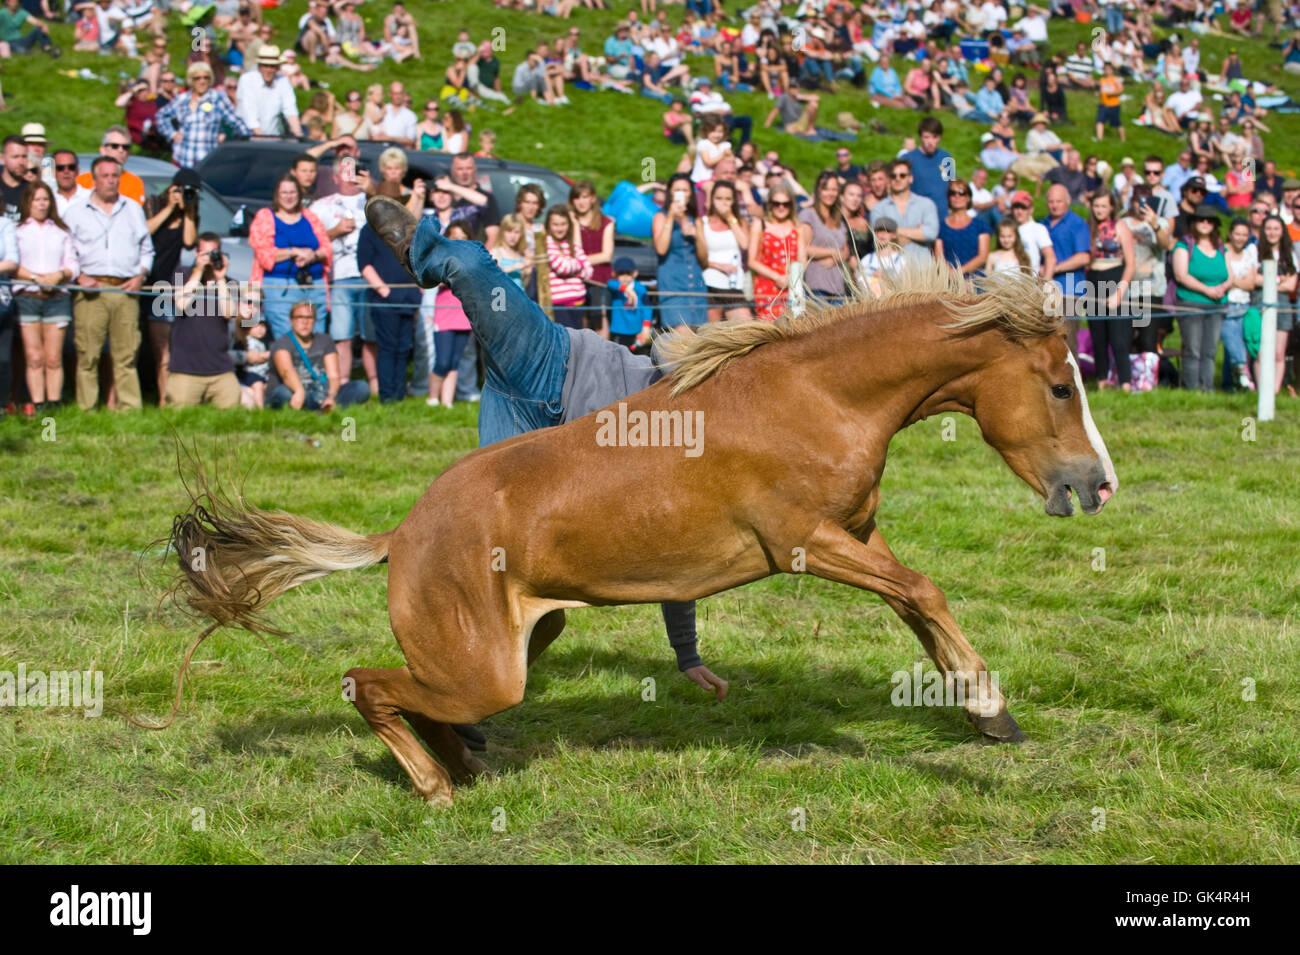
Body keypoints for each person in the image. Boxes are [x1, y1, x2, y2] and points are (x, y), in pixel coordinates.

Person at [363, 195, 729, 703]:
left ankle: (457, 703)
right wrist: (707, 355)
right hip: (549, 360)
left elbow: (678, 556)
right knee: (471, 265)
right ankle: (419, 249)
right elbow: (670, 343)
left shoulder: (691, 460)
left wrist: (686, 654)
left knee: (501, 571)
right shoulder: (700, 380)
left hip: (529, 443)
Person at [64, 155, 153, 411]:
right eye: (105, 176)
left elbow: (147, 249)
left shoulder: (133, 209)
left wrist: (140, 275)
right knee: (87, 354)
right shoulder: (76, 212)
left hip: (126, 288)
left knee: (126, 355)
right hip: (91, 290)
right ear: (94, 180)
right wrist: (78, 275)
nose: (110, 181)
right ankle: (87, 408)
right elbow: (67, 251)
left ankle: (130, 409)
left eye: (115, 176)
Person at [13, 181, 75, 410]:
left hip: (57, 298)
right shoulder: (17, 231)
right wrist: (35, 278)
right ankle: (38, 405)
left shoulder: (61, 232)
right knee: (35, 357)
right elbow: (12, 263)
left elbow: (72, 264)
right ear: (28, 202)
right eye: (37, 199)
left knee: (53, 357)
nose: (41, 204)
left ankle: (54, 405)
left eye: (45, 199)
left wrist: (58, 276)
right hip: (28, 298)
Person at [143, 168, 201, 406]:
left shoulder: (190, 211)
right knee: (148, 349)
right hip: (145, 281)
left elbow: (189, 242)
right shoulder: (153, 204)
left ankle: (165, 403)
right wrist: (169, 208)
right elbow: (145, 231)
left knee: (166, 353)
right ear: (172, 188)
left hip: (166, 287)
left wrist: (187, 211)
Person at [165, 233, 243, 408]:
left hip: (220, 369)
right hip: (185, 368)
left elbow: (228, 313)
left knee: (232, 418)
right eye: (204, 254)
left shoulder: (229, 282)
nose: (209, 258)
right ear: (196, 254)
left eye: (213, 253)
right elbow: (181, 304)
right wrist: (198, 271)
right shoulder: (182, 274)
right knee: (179, 422)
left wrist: (221, 277)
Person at [309, 156, 369, 384]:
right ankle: (343, 382)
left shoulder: (373, 200)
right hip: (339, 279)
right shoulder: (321, 206)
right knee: (342, 336)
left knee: (370, 337)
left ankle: (374, 384)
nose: (351, 178)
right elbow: (310, 243)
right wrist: (334, 231)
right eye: (345, 173)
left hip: (371, 278)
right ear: (335, 177)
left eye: (355, 172)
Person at [249, 176, 331, 340]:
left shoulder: (309, 216)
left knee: (317, 339)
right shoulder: (265, 217)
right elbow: (264, 256)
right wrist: (294, 251)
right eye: (284, 192)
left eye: (293, 192)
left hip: (313, 285)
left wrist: (311, 256)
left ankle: (313, 367)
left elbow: (326, 248)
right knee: (288, 341)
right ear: (277, 195)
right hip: (280, 288)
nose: (289, 196)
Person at [356, 214, 419, 404]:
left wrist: (418, 290)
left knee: (403, 348)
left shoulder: (408, 228)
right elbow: (364, 264)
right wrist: (384, 291)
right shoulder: (370, 230)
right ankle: (387, 396)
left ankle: (399, 395)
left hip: (409, 296)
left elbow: (417, 258)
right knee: (388, 348)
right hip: (384, 298)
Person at [267, 300, 369, 410]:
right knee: (283, 394)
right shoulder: (281, 343)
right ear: (292, 320)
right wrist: (299, 391)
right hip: (294, 391)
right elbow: (286, 372)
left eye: (309, 318)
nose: (304, 322)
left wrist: (331, 396)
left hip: (320, 392)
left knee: (361, 387)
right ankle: (321, 409)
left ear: (315, 320)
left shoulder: (325, 340)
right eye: (300, 317)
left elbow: (333, 375)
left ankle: (324, 406)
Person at [1172, 204, 1229, 392]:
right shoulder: (1184, 245)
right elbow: (1181, 275)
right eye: (1201, 219)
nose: (1205, 223)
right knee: (1193, 349)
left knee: (1210, 351)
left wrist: (1223, 287)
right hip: (1191, 303)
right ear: (1193, 222)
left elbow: (1231, 275)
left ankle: (1208, 388)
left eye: (1209, 220)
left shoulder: (1220, 246)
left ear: (1214, 224)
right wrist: (1207, 290)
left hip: (1216, 305)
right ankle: (1192, 389)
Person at [1084, 191, 1135, 391]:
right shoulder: (1088, 227)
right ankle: (1102, 382)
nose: (1099, 210)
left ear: (1111, 207)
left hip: (1115, 278)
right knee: (1098, 337)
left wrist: (1119, 293)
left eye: (1103, 206)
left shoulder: (1120, 227)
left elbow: (1130, 264)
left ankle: (1125, 383)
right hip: (1092, 281)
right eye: (1096, 206)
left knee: (1119, 338)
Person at [421, 220, 473, 407]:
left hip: (463, 316)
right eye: (455, 236)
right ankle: (432, 398)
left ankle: (447, 402)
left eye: (463, 237)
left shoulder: (472, 258)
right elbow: (433, 279)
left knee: (454, 362)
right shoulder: (439, 257)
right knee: (442, 361)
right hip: (444, 315)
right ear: (447, 237)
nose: (459, 240)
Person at [1120, 184, 1174, 355]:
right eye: (1138, 200)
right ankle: (1127, 378)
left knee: (1148, 339)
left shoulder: (1161, 222)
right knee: (1125, 338)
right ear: (1132, 201)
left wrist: (1154, 224)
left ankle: (1148, 379)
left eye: (1145, 200)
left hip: (1152, 288)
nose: (1141, 204)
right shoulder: (1123, 223)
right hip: (1128, 287)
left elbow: (1166, 245)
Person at [1246, 215, 1297, 395]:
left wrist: (1268, 281)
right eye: (1268, 228)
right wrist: (1278, 280)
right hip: (1259, 304)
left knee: (1278, 353)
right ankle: (1262, 391)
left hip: (1282, 307)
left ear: (1282, 231)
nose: (1272, 233)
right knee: (1260, 353)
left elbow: (1291, 285)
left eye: (1276, 229)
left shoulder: (1290, 252)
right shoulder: (1253, 250)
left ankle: (1274, 392)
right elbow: (1253, 280)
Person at [653, 173, 708, 329]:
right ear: (670, 192)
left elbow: (704, 259)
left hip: (695, 285)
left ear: (691, 193)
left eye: (685, 190)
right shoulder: (661, 216)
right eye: (677, 190)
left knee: (699, 337)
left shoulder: (695, 220)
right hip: (672, 285)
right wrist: (671, 216)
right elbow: (661, 249)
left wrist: (696, 236)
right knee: (681, 336)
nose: (681, 194)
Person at [694, 180, 752, 322]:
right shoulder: (702, 222)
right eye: (719, 198)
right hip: (710, 282)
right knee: (712, 332)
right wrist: (720, 266)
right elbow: (700, 256)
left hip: (733, 284)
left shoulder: (740, 221)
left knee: (745, 326)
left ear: (734, 201)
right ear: (712, 199)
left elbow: (745, 244)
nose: (723, 203)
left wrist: (730, 218)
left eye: (728, 199)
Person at [1042, 182, 1091, 352]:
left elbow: (1084, 257)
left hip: (1070, 290)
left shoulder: (1077, 224)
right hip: (1045, 291)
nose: (1054, 205)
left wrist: (1053, 268)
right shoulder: (1042, 224)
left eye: (1059, 201)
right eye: (1051, 201)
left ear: (1068, 201)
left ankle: (1072, 379)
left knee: (1067, 343)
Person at [748, 181, 806, 322]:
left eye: (785, 204)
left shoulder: (798, 228)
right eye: (776, 203)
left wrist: (790, 278)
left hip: (792, 285)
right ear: (770, 204)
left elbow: (802, 260)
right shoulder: (760, 225)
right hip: (766, 284)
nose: (781, 207)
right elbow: (751, 261)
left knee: (793, 328)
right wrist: (777, 277)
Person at [869, 159, 939, 265]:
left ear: (910, 178)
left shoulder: (926, 204)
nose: (898, 179)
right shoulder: (878, 209)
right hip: (892, 273)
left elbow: (931, 233)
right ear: (889, 179)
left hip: (923, 270)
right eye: (893, 176)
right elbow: (880, 240)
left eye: (902, 175)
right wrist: (918, 231)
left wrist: (892, 231)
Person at [798, 170, 848, 304]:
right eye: (826, 189)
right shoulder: (808, 215)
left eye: (834, 190)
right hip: (816, 286)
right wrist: (833, 252)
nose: (830, 194)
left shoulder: (838, 219)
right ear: (818, 190)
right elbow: (804, 248)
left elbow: (846, 251)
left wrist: (835, 258)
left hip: (837, 287)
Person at [571, 180, 614, 336]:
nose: (581, 202)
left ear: (593, 198)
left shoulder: (606, 222)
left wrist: (580, 262)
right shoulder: (570, 222)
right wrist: (575, 225)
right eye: (577, 198)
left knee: (600, 318)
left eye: (585, 197)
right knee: (581, 319)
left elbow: (606, 255)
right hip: (577, 278)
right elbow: (576, 250)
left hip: (599, 278)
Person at [1221, 218, 1258, 392]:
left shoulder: (1249, 254)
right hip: (1227, 305)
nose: (1241, 238)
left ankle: (1229, 385)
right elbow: (1226, 280)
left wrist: (1234, 281)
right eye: (1237, 233)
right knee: (1233, 344)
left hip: (1245, 305)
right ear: (1230, 234)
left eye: (1244, 234)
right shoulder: (1223, 251)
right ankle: (1243, 378)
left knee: (1237, 346)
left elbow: (1250, 284)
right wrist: (1236, 281)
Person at [236, 45, 303, 138]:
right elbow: (248, 112)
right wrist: (261, 136)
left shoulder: (282, 80)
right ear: (259, 66)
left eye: (272, 66)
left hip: (273, 137)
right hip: (247, 137)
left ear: (277, 67)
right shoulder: (247, 80)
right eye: (265, 66)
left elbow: (290, 109)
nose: (269, 70)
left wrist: (299, 134)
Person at [543, 205, 592, 331]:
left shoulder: (572, 245)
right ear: (548, 225)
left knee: (578, 340)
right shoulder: (547, 244)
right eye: (555, 224)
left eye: (563, 224)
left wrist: (574, 267)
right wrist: (578, 264)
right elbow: (561, 267)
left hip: (578, 301)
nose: (560, 228)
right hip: (560, 304)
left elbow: (589, 272)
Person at [935, 177, 990, 277]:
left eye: (961, 192)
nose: (957, 196)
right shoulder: (941, 227)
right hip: (949, 279)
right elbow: (939, 257)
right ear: (949, 197)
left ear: (968, 197)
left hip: (975, 281)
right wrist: (951, 274)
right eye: (953, 193)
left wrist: (960, 272)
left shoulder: (980, 225)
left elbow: (982, 257)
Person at [902, 116, 954, 221]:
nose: (931, 141)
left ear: (939, 138)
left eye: (935, 137)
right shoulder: (908, 159)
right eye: (927, 137)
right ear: (920, 137)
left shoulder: (946, 157)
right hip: (918, 218)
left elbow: (952, 185)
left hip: (943, 216)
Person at [607, 256, 652, 349]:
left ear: (635, 273)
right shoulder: (616, 287)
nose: (625, 277)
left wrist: (646, 327)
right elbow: (610, 283)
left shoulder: (640, 288)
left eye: (628, 273)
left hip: (637, 331)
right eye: (621, 273)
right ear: (614, 274)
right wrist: (626, 289)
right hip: (618, 331)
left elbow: (647, 307)